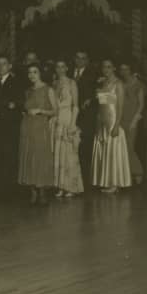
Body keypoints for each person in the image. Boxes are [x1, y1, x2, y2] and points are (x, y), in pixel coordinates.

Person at [18, 64, 57, 206]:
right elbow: (25, 108)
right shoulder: (27, 91)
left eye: (35, 72)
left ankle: (42, 191)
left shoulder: (48, 89)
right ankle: (32, 190)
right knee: (29, 157)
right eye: (29, 72)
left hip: (40, 127)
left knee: (40, 156)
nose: (32, 75)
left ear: (40, 73)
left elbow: (54, 111)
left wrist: (40, 110)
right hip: (27, 127)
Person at [0, 55, 23, 202]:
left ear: (10, 66)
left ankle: (10, 191)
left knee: (9, 156)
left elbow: (17, 104)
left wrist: (0, 112)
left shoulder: (16, 82)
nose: (1, 67)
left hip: (9, 126)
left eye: (4, 64)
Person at [92, 59, 132, 193]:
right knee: (104, 150)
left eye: (109, 67)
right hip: (103, 120)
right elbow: (102, 105)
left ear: (114, 68)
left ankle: (115, 183)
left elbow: (120, 107)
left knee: (113, 150)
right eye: (104, 67)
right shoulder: (103, 83)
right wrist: (98, 123)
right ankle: (108, 182)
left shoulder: (118, 84)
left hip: (113, 120)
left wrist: (116, 125)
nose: (106, 69)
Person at [52, 59, 84, 198]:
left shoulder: (72, 83)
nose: (60, 69)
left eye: (62, 66)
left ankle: (71, 186)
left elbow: (76, 106)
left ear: (66, 68)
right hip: (56, 120)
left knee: (69, 153)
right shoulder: (54, 83)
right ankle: (60, 186)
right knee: (58, 153)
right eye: (57, 66)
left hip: (67, 118)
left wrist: (72, 124)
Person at [72, 50, 98, 188]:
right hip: (71, 116)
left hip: (86, 116)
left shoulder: (93, 74)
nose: (80, 60)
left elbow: (99, 92)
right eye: (78, 58)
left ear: (87, 60)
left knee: (85, 147)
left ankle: (86, 180)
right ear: (74, 59)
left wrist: (91, 100)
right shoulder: (70, 72)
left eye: (83, 58)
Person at [119, 61, 146, 185]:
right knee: (123, 147)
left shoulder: (138, 85)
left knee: (129, 147)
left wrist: (134, 121)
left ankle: (138, 172)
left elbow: (141, 105)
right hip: (121, 118)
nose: (124, 72)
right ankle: (128, 174)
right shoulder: (121, 84)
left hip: (132, 119)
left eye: (126, 69)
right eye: (122, 69)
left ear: (131, 70)